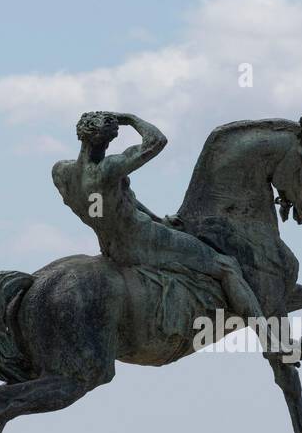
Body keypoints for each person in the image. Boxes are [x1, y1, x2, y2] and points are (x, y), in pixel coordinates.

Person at [53, 111, 275, 346]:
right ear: (108, 140)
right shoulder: (110, 168)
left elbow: (113, 203)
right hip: (143, 240)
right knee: (226, 266)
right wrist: (129, 119)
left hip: (111, 246)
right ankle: (268, 339)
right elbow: (157, 141)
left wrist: (158, 218)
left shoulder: (62, 172)